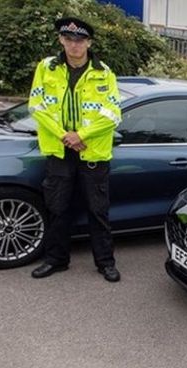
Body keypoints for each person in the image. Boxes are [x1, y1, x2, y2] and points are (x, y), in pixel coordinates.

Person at [28, 17, 122, 282]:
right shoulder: (47, 68)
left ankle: (105, 263)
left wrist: (80, 135)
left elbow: (113, 114)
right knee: (57, 208)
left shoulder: (104, 72)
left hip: (93, 151)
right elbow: (36, 106)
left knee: (98, 210)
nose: (74, 45)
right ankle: (56, 260)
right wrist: (65, 136)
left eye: (79, 40)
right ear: (61, 40)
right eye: (68, 39)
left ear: (88, 42)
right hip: (59, 150)